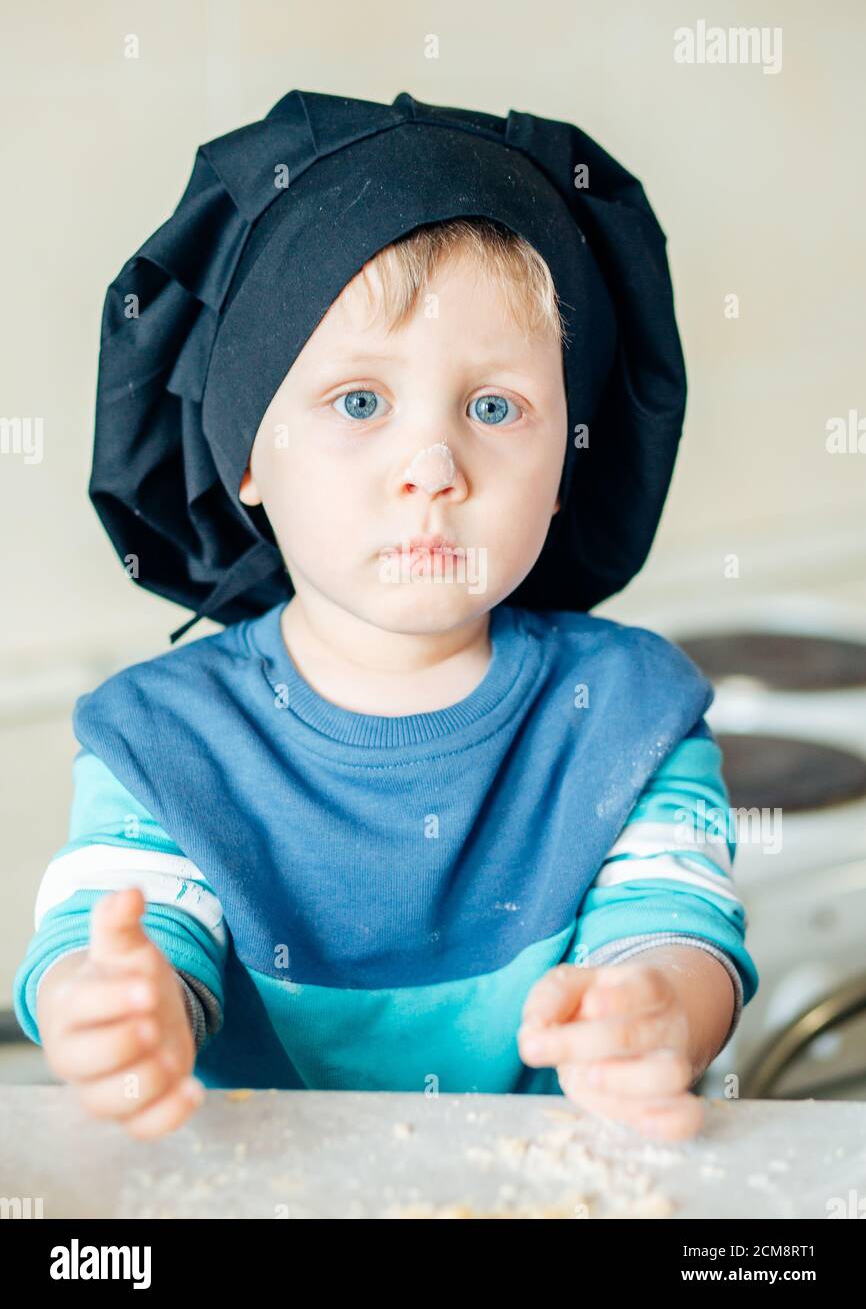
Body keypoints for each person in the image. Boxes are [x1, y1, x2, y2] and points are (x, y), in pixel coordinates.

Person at [14, 90, 758, 1143]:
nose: (431, 468)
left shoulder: (627, 714)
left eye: (493, 408)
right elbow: (134, 940)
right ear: (245, 455)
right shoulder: (162, 740)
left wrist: (655, 1014)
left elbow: (674, 925)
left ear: (562, 471)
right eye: (359, 402)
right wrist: (117, 1006)